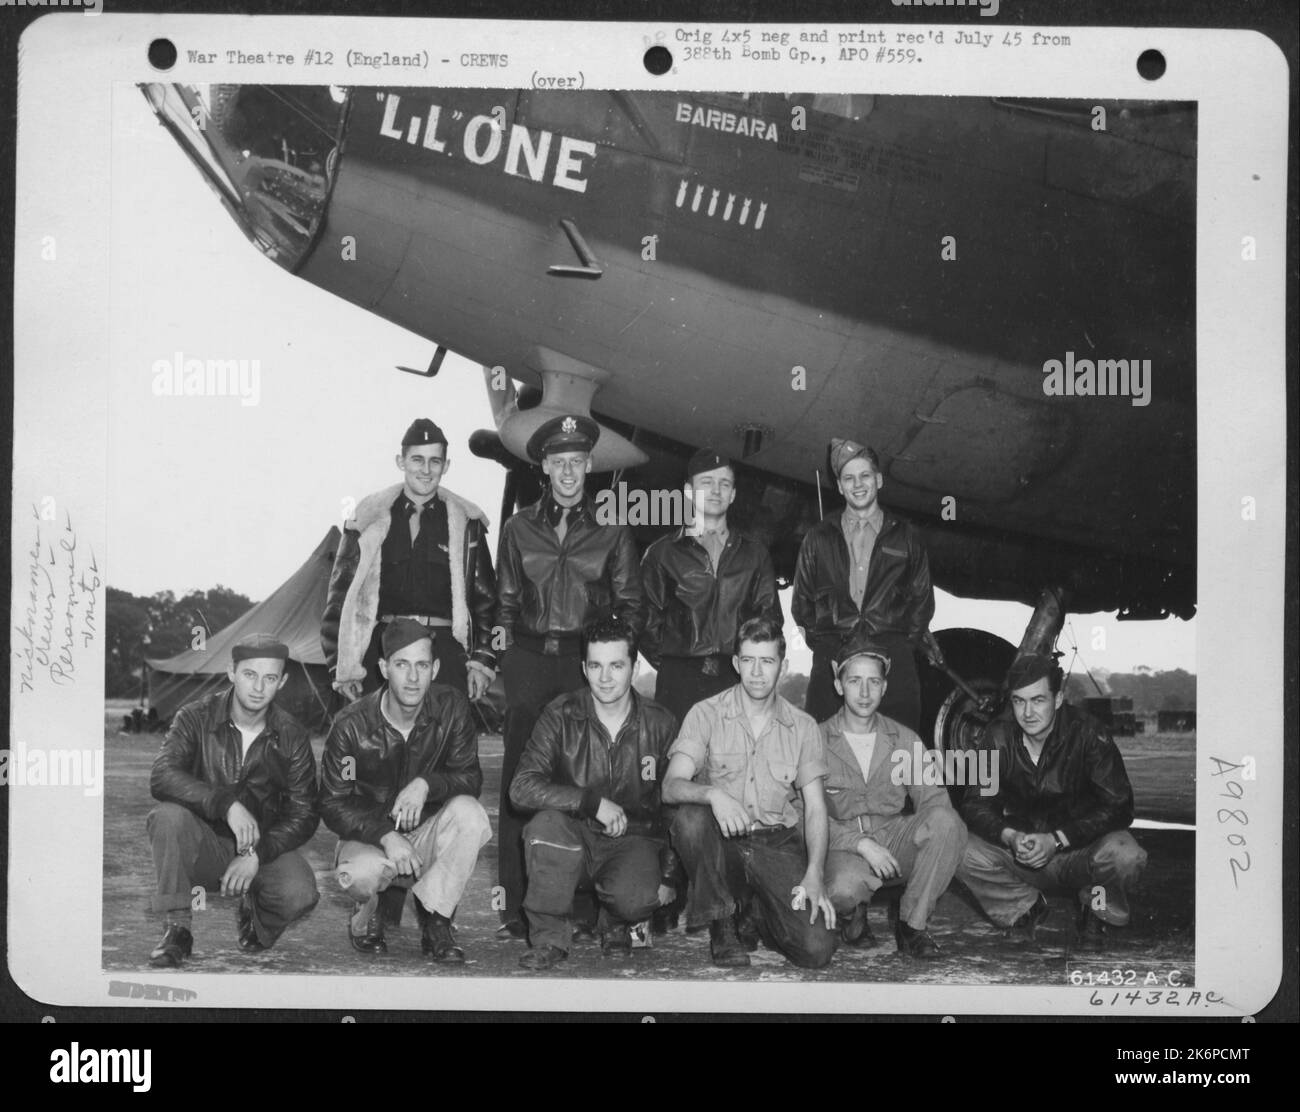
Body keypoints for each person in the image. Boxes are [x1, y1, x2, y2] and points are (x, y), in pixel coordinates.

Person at [493, 414, 644, 938]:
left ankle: (580, 905)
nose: (568, 472)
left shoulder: (612, 531)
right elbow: (504, 603)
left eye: (577, 462)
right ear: (545, 468)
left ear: (589, 467)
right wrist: (506, 661)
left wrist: (610, 667)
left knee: (584, 781)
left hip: (585, 665)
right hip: (530, 662)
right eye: (558, 463)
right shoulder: (517, 529)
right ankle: (516, 905)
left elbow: (629, 605)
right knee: (523, 782)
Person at [662, 617, 838, 969]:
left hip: (776, 844)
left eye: (767, 661)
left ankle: (756, 912)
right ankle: (723, 924)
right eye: (748, 660)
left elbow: (816, 808)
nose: (757, 672)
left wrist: (815, 873)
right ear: (735, 663)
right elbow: (671, 786)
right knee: (691, 819)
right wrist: (714, 794)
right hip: (722, 845)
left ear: (783, 666)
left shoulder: (803, 726)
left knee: (817, 949)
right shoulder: (706, 713)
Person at [509, 616, 680, 970]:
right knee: (543, 828)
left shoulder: (660, 723)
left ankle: (616, 921)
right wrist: (589, 801)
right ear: (583, 669)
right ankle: (549, 939)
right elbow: (521, 788)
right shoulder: (560, 714)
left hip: (632, 840)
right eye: (596, 666)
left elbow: (675, 808)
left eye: (616, 665)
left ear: (634, 667)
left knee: (638, 897)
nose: (605, 678)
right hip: (574, 836)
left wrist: (668, 876)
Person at [317, 619, 492, 963]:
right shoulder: (351, 725)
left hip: (426, 835)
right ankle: (368, 913)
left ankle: (437, 920)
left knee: (471, 815)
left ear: (435, 668)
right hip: (372, 838)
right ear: (383, 668)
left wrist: (426, 783)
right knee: (361, 874)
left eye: (422, 665)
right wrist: (385, 835)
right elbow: (332, 803)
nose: (413, 678)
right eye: (402, 665)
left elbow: (469, 777)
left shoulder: (452, 707)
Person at [146, 634, 319, 968]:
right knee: (167, 817)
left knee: (300, 893)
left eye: (270, 678)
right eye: (250, 674)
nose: (258, 687)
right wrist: (224, 804)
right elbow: (162, 775)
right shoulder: (195, 717)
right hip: (203, 845)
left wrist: (257, 853)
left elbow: (305, 812)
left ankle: (255, 921)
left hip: (261, 851)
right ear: (231, 672)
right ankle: (177, 928)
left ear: (281, 682)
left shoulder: (292, 735)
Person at [957, 654, 1148, 949]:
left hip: (1080, 854)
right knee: (958, 846)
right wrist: (1010, 836)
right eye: (1019, 701)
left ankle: (1095, 911)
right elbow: (975, 804)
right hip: (1024, 854)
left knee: (1125, 854)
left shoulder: (1088, 733)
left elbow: (1119, 806)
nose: (1028, 712)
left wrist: (1058, 839)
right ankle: (1024, 909)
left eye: (1038, 700)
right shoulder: (996, 736)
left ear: (1058, 699)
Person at [322, 418, 498, 702]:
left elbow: (488, 601)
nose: (426, 470)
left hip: (445, 649)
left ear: (447, 465)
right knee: (373, 742)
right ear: (400, 461)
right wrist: (338, 667)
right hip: (381, 650)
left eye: (435, 461)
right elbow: (338, 599)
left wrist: (484, 659)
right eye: (417, 460)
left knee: (450, 740)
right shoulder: (366, 519)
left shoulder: (468, 524)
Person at [820, 638, 967, 958]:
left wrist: (934, 844)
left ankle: (912, 924)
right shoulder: (815, 740)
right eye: (854, 681)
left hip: (894, 838)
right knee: (843, 890)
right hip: (844, 844)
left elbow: (935, 803)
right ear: (838, 684)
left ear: (884, 687)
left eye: (873, 682)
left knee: (947, 823)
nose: (864, 692)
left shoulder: (905, 739)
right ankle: (852, 912)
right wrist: (860, 843)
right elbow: (802, 814)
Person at [792, 438, 935, 730]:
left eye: (865, 475)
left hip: (894, 658)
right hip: (833, 655)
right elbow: (801, 604)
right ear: (840, 487)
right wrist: (827, 643)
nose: (858, 484)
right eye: (848, 478)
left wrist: (898, 644)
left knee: (898, 753)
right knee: (823, 751)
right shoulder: (818, 538)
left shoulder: (906, 536)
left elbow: (923, 601)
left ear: (879, 480)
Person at [640, 447, 783, 723]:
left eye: (724, 483)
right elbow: (645, 621)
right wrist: (676, 664)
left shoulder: (755, 555)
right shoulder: (661, 554)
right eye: (707, 482)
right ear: (688, 491)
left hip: (737, 679)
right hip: (679, 682)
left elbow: (770, 620)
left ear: (733, 495)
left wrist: (748, 668)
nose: (716, 490)